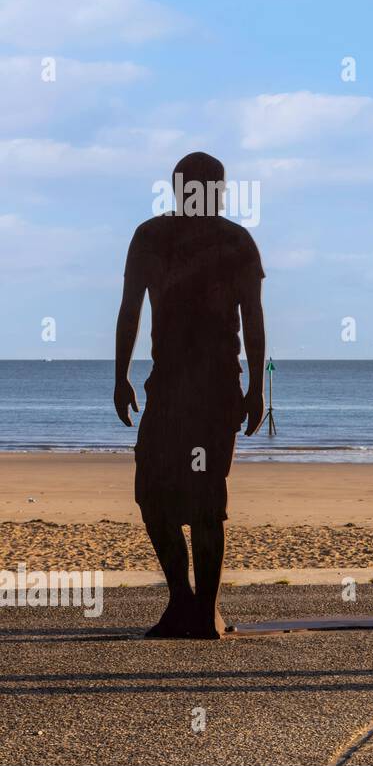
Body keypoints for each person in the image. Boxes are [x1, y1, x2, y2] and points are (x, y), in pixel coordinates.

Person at [114, 152, 265, 639]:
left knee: (204, 500)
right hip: (173, 387)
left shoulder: (235, 242)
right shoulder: (152, 237)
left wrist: (256, 388)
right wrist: (121, 376)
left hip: (216, 387)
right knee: (153, 496)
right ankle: (184, 600)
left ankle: (204, 609)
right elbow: (130, 312)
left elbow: (253, 321)